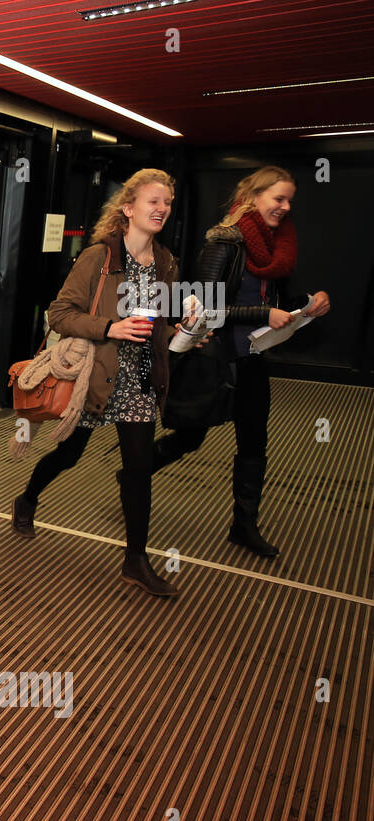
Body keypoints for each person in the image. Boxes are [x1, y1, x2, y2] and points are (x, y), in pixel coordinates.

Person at [10, 169, 183, 598]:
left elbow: (162, 326)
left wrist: (188, 331)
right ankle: (28, 498)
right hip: (94, 378)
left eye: (167, 202)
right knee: (68, 456)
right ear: (128, 208)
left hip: (138, 382)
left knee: (140, 470)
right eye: (153, 201)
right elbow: (60, 314)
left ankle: (135, 560)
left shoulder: (166, 263)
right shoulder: (98, 258)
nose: (162, 208)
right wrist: (110, 327)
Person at [147, 166, 331, 558]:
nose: (284, 207)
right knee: (190, 437)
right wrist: (262, 315)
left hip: (251, 359)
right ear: (253, 196)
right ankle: (136, 469)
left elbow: (273, 302)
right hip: (214, 360)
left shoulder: (277, 249)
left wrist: (307, 305)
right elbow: (204, 308)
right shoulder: (224, 245)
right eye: (277, 198)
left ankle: (243, 526)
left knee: (254, 444)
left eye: (289, 201)